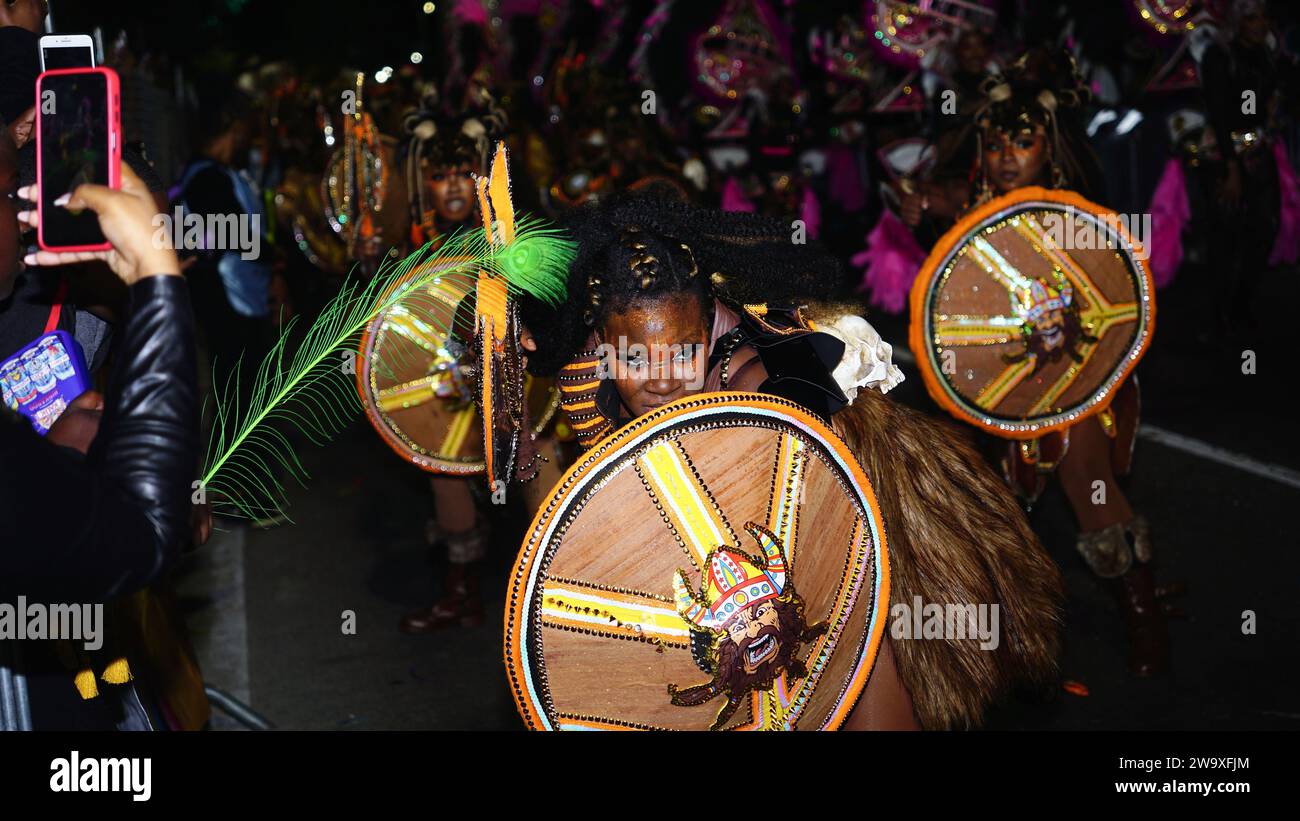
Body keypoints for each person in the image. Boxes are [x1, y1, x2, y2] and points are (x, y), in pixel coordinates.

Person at [520, 193, 1063, 730]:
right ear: (601, 344)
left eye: (682, 351)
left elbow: (818, 523)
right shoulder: (590, 373)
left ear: (709, 327)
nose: (662, 379)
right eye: (635, 357)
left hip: (839, 575)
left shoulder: (760, 392)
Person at [930, 51, 1173, 677]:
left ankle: (1144, 619)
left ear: (1051, 148)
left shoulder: (1075, 218)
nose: (1008, 154)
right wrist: (923, 209)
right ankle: (1007, 635)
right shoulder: (970, 200)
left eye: (1024, 140)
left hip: (1074, 382)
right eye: (997, 141)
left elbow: (1111, 302)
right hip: (996, 383)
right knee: (982, 500)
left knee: (1088, 488)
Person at [2, 162, 201, 729]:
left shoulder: (94, 312)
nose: (21, 221)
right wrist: (155, 282)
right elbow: (139, 530)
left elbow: (135, 407)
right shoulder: (36, 295)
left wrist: (184, 476)